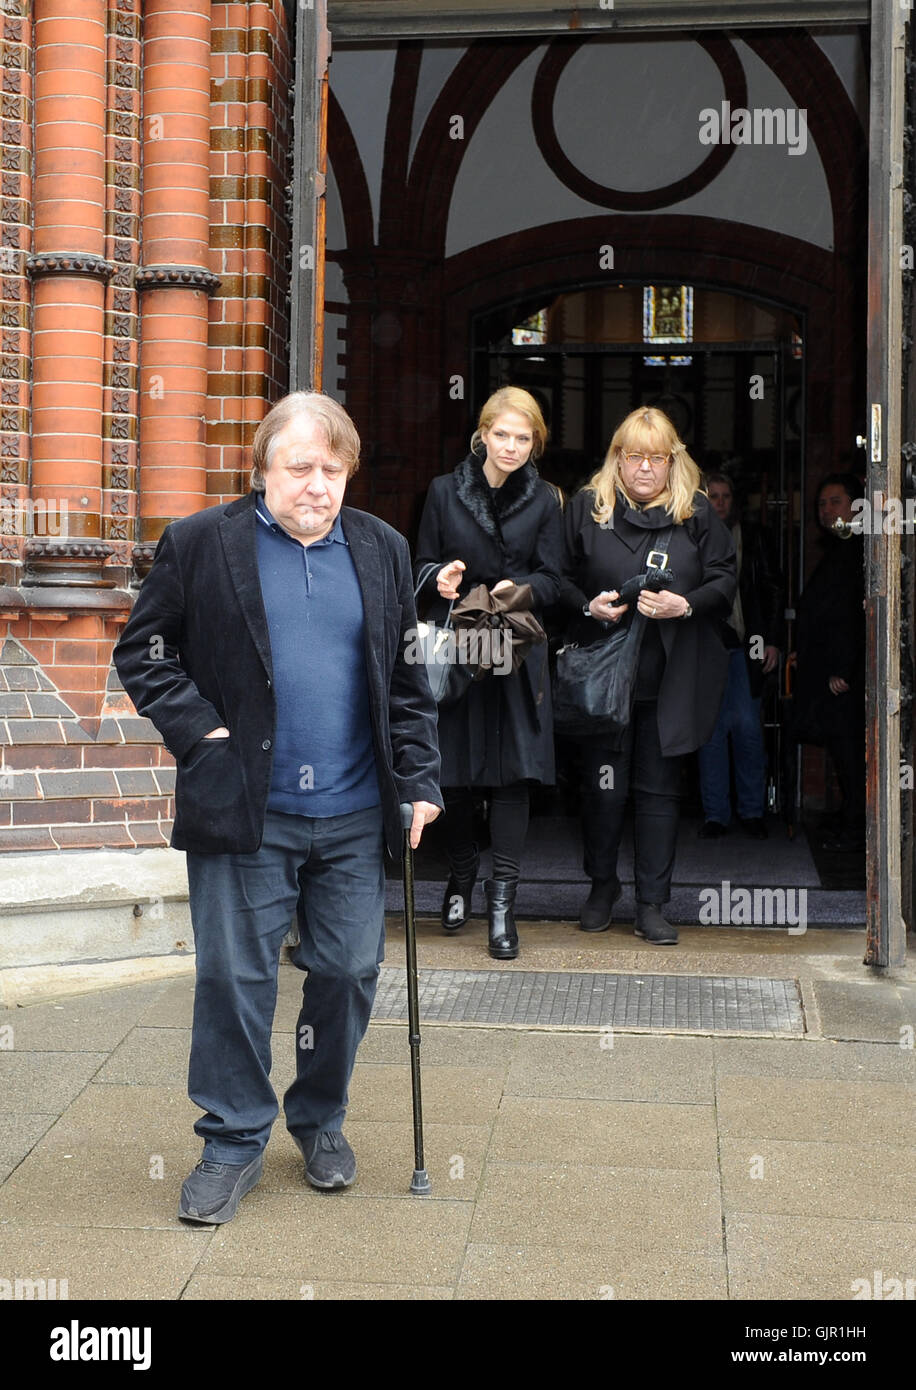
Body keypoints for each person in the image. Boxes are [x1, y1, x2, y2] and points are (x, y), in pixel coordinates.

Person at [113, 391, 442, 1225]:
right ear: (261, 469)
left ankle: (320, 1118)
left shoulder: (382, 549)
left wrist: (421, 780)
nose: (319, 485)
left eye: (333, 470)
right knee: (234, 976)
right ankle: (231, 1137)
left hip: (354, 808)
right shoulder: (198, 544)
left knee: (346, 971)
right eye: (301, 468)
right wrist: (203, 734)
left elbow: (407, 683)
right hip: (244, 808)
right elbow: (144, 654)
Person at [562, 406, 737, 944]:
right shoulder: (587, 509)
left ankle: (653, 903)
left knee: (659, 794)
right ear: (617, 458)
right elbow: (556, 576)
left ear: (671, 461)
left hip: (671, 678)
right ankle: (601, 886)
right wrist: (587, 606)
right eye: (632, 456)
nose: (643, 468)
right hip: (604, 679)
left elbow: (725, 579)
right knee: (603, 792)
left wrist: (685, 606)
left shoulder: (697, 513)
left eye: (655, 458)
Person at [414, 386, 563, 960]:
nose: (510, 446)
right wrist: (440, 578)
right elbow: (420, 561)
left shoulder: (547, 499)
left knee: (510, 778)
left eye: (523, 438)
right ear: (482, 434)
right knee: (451, 774)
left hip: (516, 648)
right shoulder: (444, 491)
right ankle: (460, 872)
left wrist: (521, 588)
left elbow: (556, 578)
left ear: (535, 443)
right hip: (461, 645)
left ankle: (503, 906)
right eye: (501, 434)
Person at [697, 472, 785, 840]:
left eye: (725, 495)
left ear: (735, 499)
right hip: (707, 645)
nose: (719, 502)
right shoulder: (693, 536)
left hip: (749, 640)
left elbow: (773, 590)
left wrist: (774, 640)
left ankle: (751, 811)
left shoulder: (753, 536)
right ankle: (715, 814)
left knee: (749, 730)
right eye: (712, 495)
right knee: (711, 734)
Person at [789, 472, 866, 851]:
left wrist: (845, 669)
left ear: (856, 505)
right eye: (821, 504)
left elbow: (859, 617)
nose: (825, 510)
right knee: (839, 745)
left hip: (844, 675)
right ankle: (849, 814)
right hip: (828, 670)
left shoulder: (862, 549)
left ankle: (856, 823)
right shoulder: (840, 548)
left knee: (850, 747)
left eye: (835, 502)